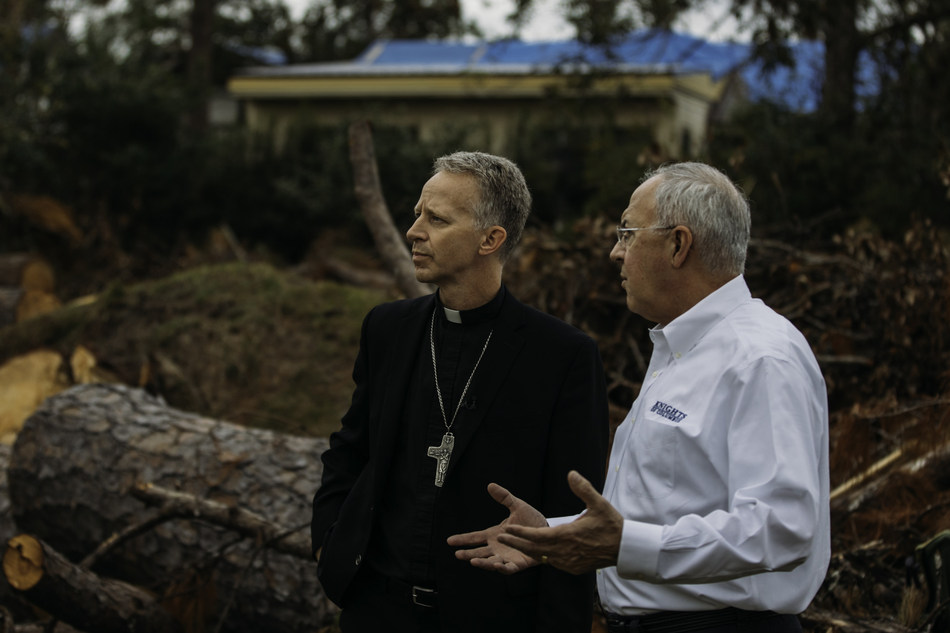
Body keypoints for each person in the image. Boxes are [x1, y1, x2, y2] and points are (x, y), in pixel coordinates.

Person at [449, 161, 831, 633]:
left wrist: (625, 545)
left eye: (628, 233)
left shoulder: (760, 359)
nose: (615, 252)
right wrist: (552, 534)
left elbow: (782, 528)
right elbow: (668, 505)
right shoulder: (680, 348)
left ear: (678, 244)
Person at [311, 151, 610, 633]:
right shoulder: (387, 329)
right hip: (377, 612)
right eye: (417, 215)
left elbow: (572, 511)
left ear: (490, 239)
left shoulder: (562, 356)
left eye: (437, 219)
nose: (414, 231)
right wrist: (329, 543)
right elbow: (350, 450)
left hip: (493, 618)